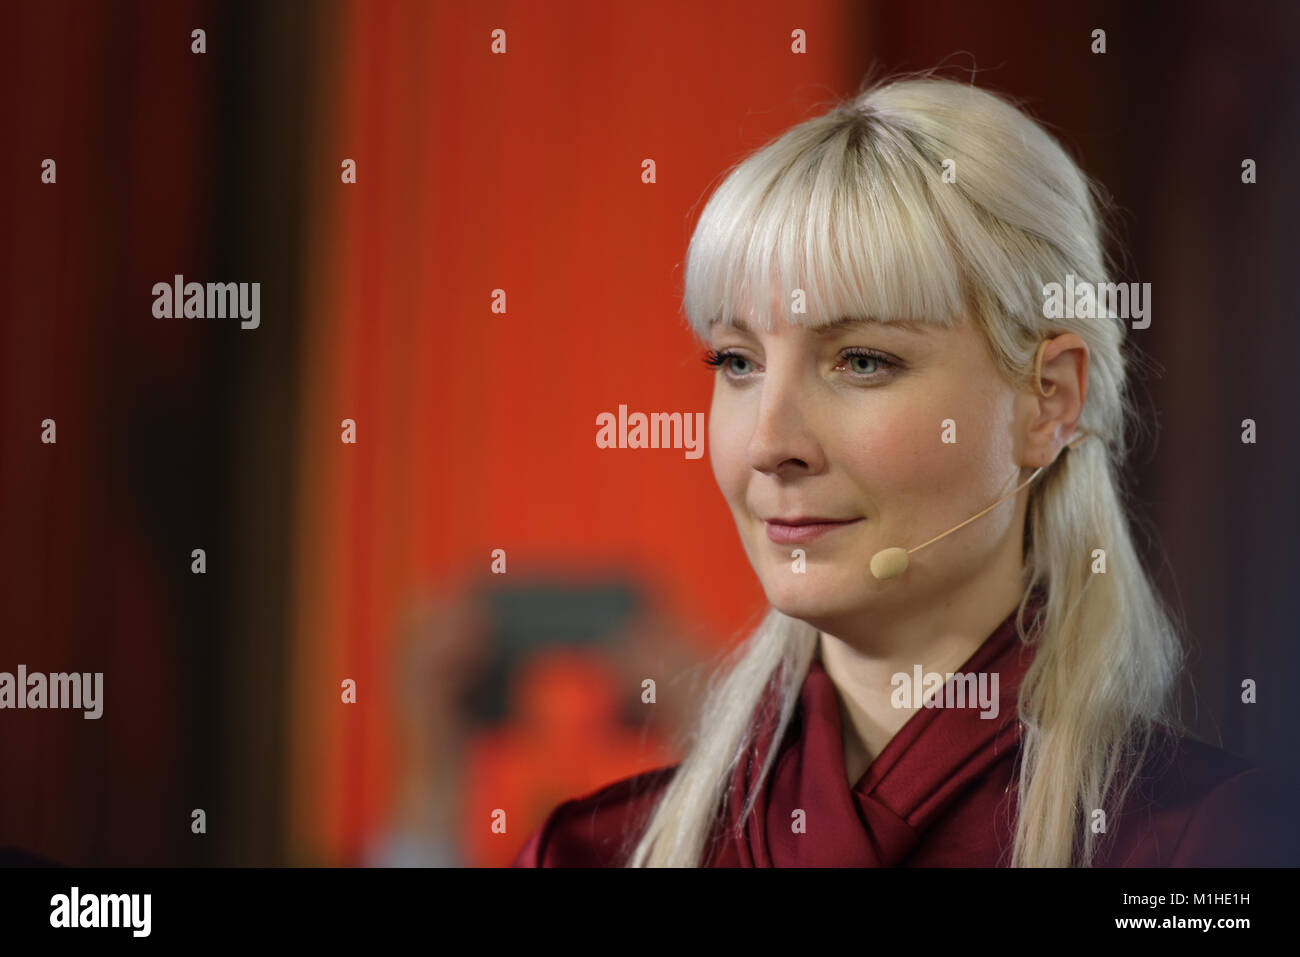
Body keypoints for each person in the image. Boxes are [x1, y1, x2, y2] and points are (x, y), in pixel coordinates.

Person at [513, 73, 1300, 867]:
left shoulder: (1208, 846)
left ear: (1048, 400)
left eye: (861, 360)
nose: (768, 442)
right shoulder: (585, 850)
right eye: (737, 361)